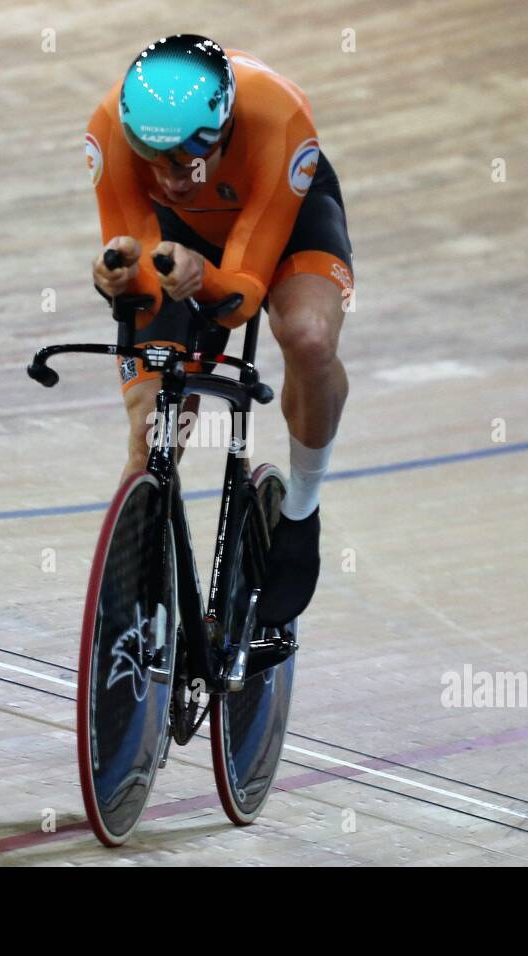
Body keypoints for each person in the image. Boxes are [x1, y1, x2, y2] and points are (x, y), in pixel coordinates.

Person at [84, 34, 353, 627]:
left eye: (189, 155)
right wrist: (120, 277)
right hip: (182, 242)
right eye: (155, 157)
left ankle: (301, 513)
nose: (171, 174)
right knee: (150, 429)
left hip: (281, 227)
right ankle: (136, 601)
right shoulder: (108, 128)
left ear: (226, 125)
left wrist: (202, 280)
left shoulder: (279, 119)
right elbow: (141, 265)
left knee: (307, 337)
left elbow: (241, 296)